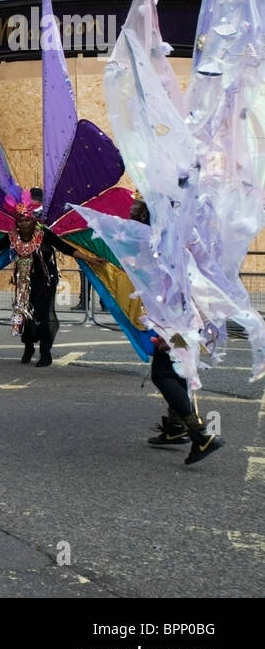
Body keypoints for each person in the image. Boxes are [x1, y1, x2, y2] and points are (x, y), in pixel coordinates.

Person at [130, 198, 224, 464]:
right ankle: (174, 429)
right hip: (186, 317)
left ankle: (200, 435)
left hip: (175, 320)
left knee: (162, 374)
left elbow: (169, 288)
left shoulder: (163, 245)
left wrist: (165, 332)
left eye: (139, 217)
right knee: (177, 369)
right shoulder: (181, 236)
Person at [0, 198, 102, 367]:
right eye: (20, 220)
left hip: (45, 280)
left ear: (34, 220)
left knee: (43, 316)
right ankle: (28, 347)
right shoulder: (13, 236)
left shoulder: (43, 233)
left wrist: (89, 259)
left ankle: (45, 353)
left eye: (27, 220)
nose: (24, 224)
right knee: (25, 315)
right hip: (24, 281)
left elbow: (64, 247)